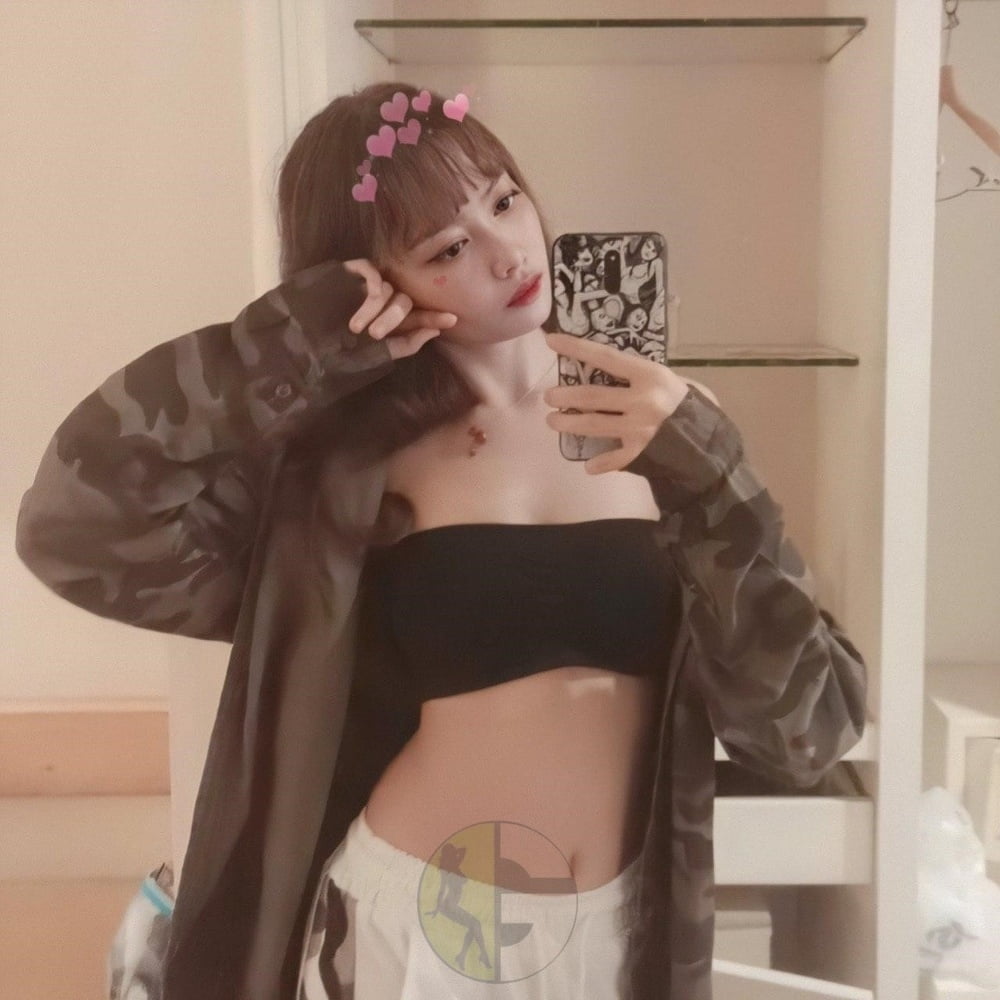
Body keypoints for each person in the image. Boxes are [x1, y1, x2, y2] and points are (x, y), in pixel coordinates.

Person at [15, 82, 868, 1000]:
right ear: (373, 282)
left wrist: (713, 479)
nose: (509, 254)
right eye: (448, 248)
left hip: (626, 930)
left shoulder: (671, 425)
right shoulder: (345, 469)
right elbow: (77, 528)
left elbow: (805, 736)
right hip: (416, 929)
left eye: (504, 200)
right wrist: (291, 347)